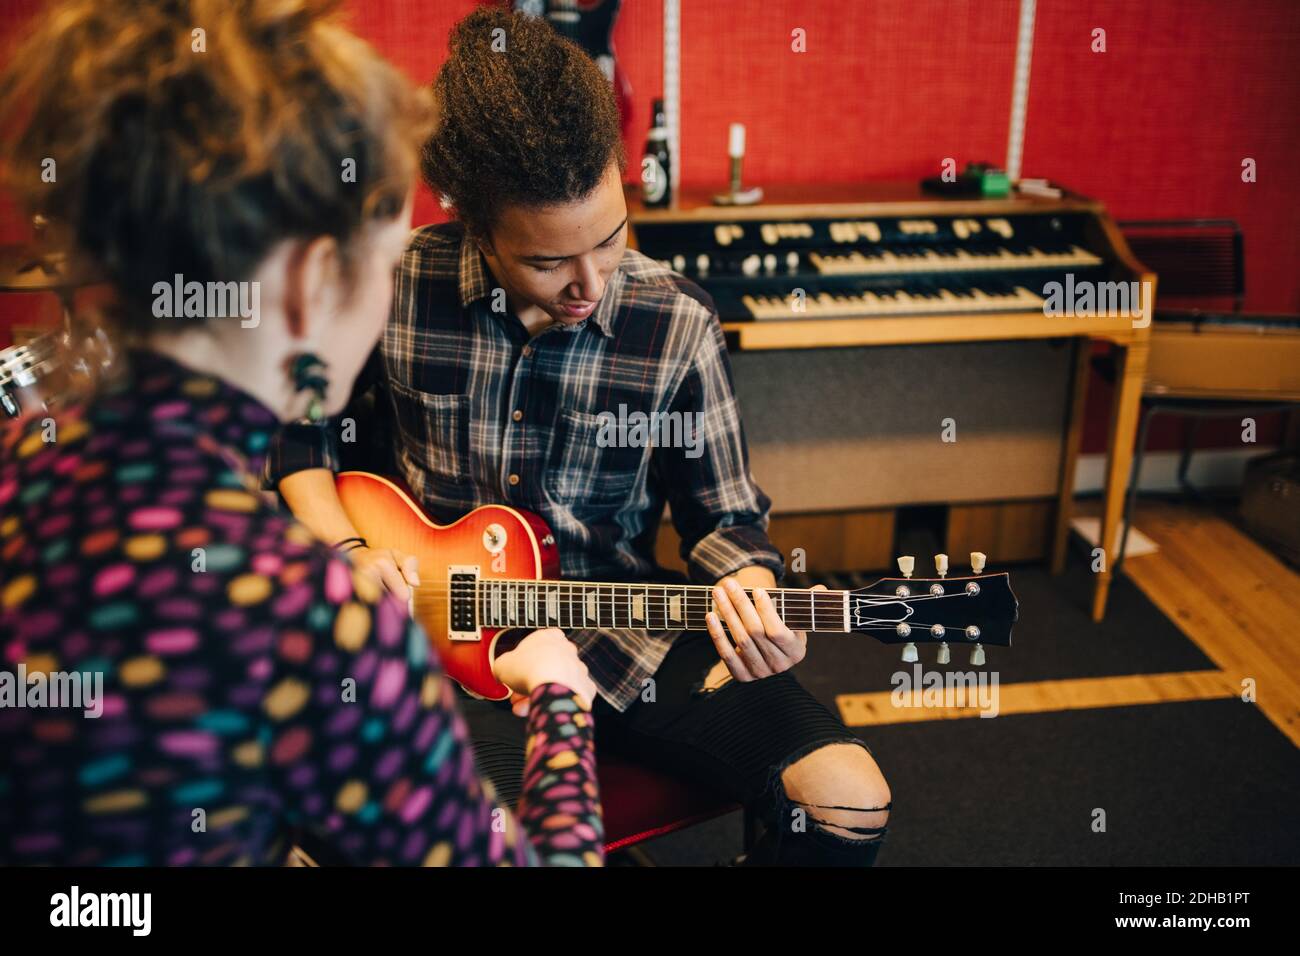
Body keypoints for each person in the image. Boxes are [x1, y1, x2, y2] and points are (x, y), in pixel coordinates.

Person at [271, 7, 891, 866]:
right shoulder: (394, 283)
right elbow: (301, 442)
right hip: (430, 646)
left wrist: (750, 582)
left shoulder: (675, 320)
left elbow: (722, 519)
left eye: (610, 238)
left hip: (613, 625)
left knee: (847, 800)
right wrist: (343, 548)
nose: (590, 284)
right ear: (477, 229)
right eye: (547, 261)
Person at [0, 0, 602, 867]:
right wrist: (557, 699)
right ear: (312, 283)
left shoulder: (27, 462)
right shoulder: (309, 614)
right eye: (387, 264)